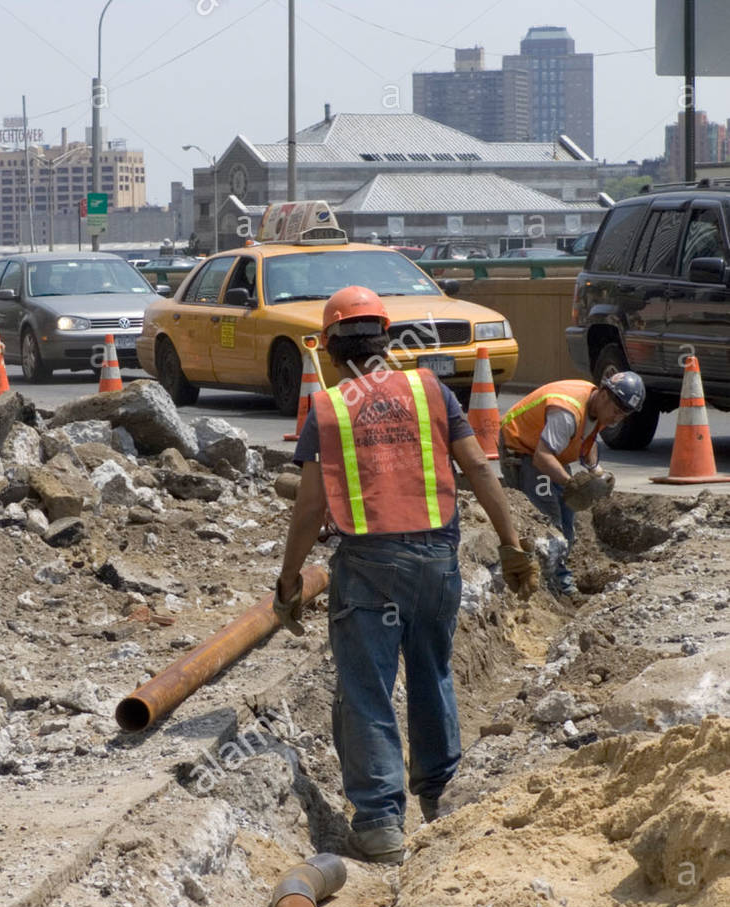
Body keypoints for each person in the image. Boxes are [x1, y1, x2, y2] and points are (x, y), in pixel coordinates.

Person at [275, 286, 538, 865]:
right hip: (438, 560)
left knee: (367, 692)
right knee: (433, 674)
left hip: (369, 566)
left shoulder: (332, 407)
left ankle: (379, 826)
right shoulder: (430, 390)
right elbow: (477, 467)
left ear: (331, 349)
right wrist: (513, 545)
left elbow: (311, 505)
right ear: (387, 339)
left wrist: (290, 579)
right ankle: (440, 801)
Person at [497, 372, 645, 595]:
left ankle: (560, 576)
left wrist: (595, 471)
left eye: (623, 415)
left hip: (551, 452)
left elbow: (589, 438)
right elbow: (542, 458)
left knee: (567, 517)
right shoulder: (567, 412)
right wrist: (573, 483)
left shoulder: (599, 408)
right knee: (547, 520)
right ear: (604, 395)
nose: (617, 419)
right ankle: (544, 585)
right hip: (524, 449)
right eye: (616, 412)